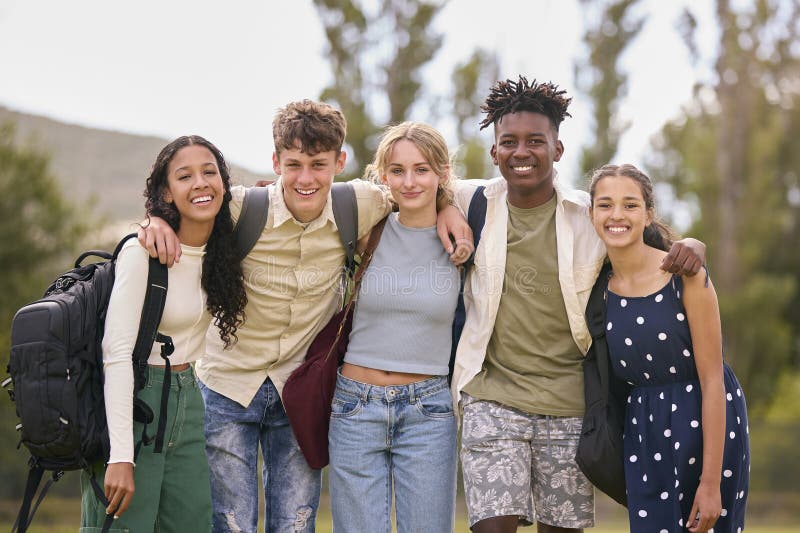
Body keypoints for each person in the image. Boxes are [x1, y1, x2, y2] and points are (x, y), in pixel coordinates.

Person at [139, 100, 473, 533]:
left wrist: (448, 208)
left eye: (318, 164)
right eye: (293, 164)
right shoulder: (240, 208)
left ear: (340, 162)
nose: (305, 178)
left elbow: (419, 191)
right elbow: (188, 202)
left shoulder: (361, 203)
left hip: (296, 391)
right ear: (276, 162)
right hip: (228, 386)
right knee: (232, 524)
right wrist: (154, 222)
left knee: (296, 525)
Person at [449, 76, 708, 533]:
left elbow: (657, 246)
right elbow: (406, 187)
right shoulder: (471, 201)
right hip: (491, 398)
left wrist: (694, 244)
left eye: (536, 141)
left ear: (558, 149)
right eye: (508, 142)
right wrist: (443, 205)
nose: (521, 152)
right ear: (494, 152)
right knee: (491, 526)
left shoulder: (590, 213)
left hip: (571, 406)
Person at [80, 135, 247, 532]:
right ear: (167, 194)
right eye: (185, 176)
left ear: (224, 184)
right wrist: (120, 455)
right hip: (136, 401)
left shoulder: (221, 252)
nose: (201, 183)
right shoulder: (144, 252)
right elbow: (116, 353)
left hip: (189, 400)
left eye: (210, 172)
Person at [588, 163, 749, 533]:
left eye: (630, 205)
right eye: (605, 205)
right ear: (591, 214)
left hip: (704, 421)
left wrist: (710, 484)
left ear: (648, 215)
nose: (617, 215)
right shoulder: (596, 289)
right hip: (642, 431)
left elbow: (713, 381)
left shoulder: (684, 275)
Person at [328, 122, 462, 532]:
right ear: (382, 174)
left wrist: (452, 207)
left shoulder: (464, 237)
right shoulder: (365, 229)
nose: (409, 182)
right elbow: (293, 194)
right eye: (398, 170)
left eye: (421, 169)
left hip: (429, 411)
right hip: (355, 406)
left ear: (441, 173)